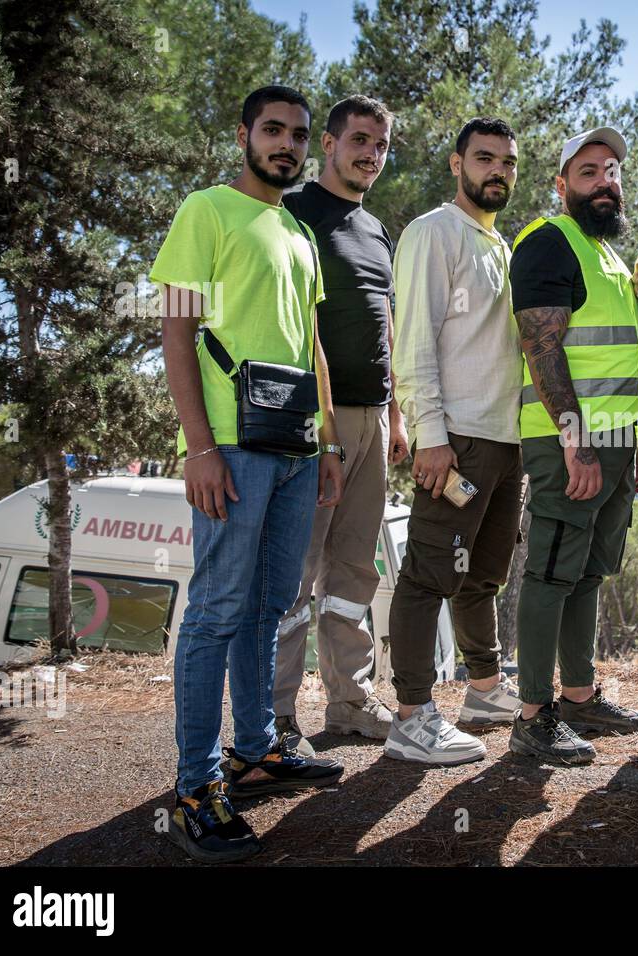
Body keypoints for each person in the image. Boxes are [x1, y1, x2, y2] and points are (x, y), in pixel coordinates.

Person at [155, 85, 345, 864]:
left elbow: (311, 347)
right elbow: (175, 322)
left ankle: (257, 751)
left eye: (299, 135)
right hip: (230, 448)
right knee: (217, 610)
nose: (288, 145)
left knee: (272, 603)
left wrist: (328, 444)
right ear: (244, 135)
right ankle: (195, 789)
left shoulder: (298, 230)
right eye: (273, 131)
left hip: (297, 449)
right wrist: (198, 447)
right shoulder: (207, 209)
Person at [507, 127, 638, 765]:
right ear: (561, 184)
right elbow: (541, 349)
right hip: (570, 442)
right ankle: (533, 716)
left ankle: (579, 696)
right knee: (549, 572)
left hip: (617, 442)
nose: (605, 181)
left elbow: (625, 360)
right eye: (589, 171)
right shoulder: (548, 243)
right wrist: (577, 444)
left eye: (614, 170)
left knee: (588, 573)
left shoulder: (612, 259)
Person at [383, 118, 526, 765]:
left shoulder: (500, 246)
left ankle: (486, 692)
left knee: (481, 580)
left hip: (504, 442)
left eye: (507, 162)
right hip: (455, 442)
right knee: (427, 577)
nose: (496, 170)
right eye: (484, 158)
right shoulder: (432, 232)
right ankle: (411, 717)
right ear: (456, 164)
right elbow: (411, 340)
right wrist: (429, 436)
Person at [273, 95, 409, 757]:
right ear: (328, 143)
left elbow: (387, 325)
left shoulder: (378, 229)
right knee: (294, 575)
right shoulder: (291, 210)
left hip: (373, 420)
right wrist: (321, 425)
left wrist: (398, 416)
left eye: (381, 146)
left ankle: (351, 701)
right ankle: (273, 718)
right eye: (359, 140)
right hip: (309, 421)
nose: (370, 155)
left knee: (355, 571)